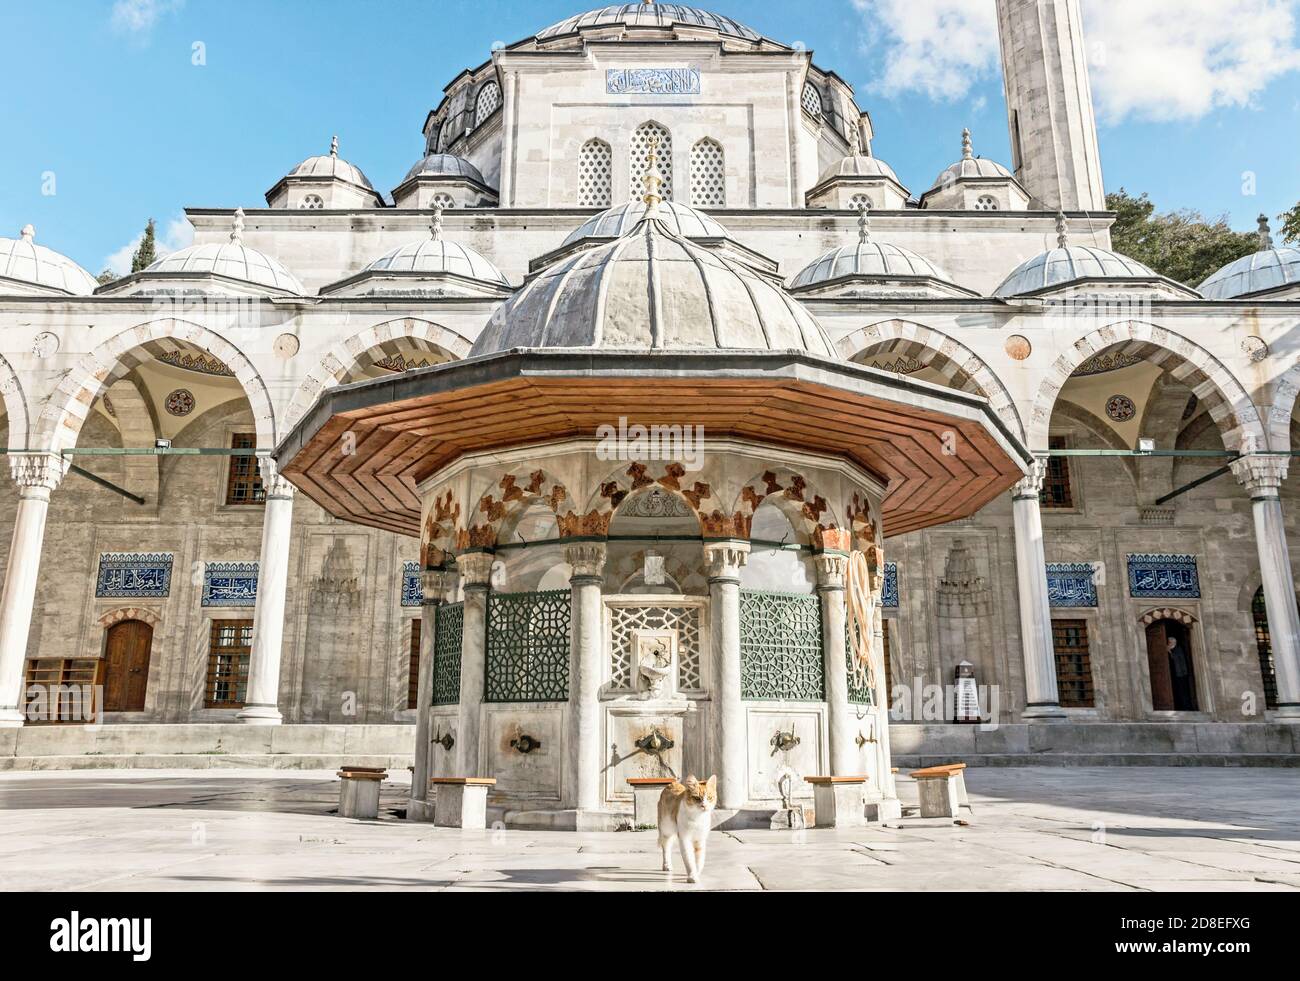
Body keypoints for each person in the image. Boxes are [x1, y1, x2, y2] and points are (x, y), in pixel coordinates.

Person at [1167, 635, 1196, 710]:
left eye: (1169, 642)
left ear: (1173, 642)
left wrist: (1170, 652)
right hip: (1174, 674)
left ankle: (1186, 707)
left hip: (1181, 674)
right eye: (1168, 642)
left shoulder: (1178, 649)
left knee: (1183, 691)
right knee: (1177, 690)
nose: (1168, 643)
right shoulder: (1172, 649)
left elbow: (1177, 660)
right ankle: (1180, 706)